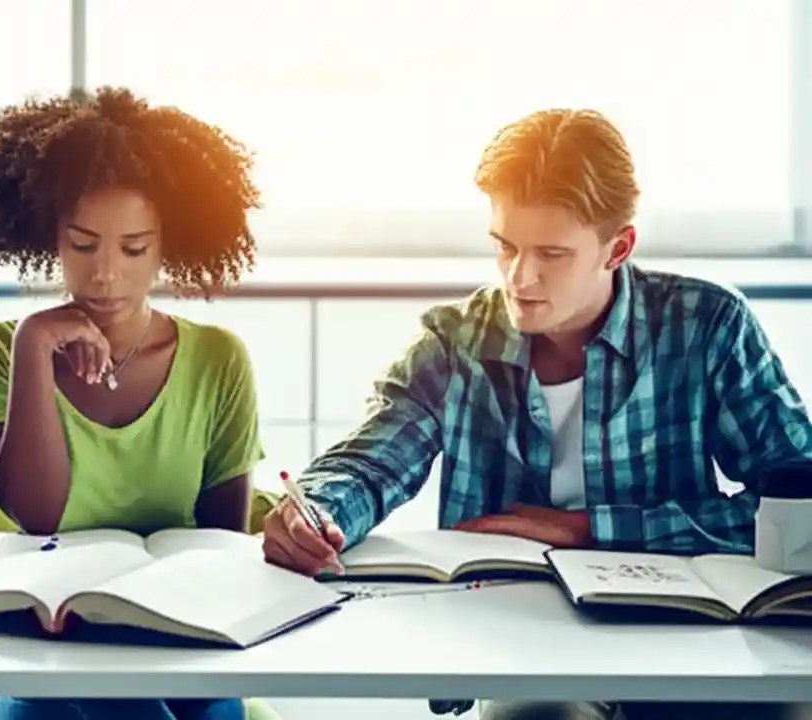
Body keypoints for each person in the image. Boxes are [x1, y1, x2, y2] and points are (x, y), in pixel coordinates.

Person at [261, 108, 812, 720]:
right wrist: (316, 510)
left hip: (692, 638)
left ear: (618, 247)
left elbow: (796, 511)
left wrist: (588, 529)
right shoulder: (456, 342)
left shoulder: (707, 326)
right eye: (506, 247)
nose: (520, 278)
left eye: (551, 252)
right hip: (523, 646)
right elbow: (369, 465)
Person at [0, 87, 268, 720]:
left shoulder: (218, 360)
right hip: (49, 653)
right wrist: (33, 345)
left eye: (133, 249)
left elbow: (218, 547)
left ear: (167, 246)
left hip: (180, 645)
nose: (105, 275)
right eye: (82, 245)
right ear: (49, 236)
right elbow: (37, 515)